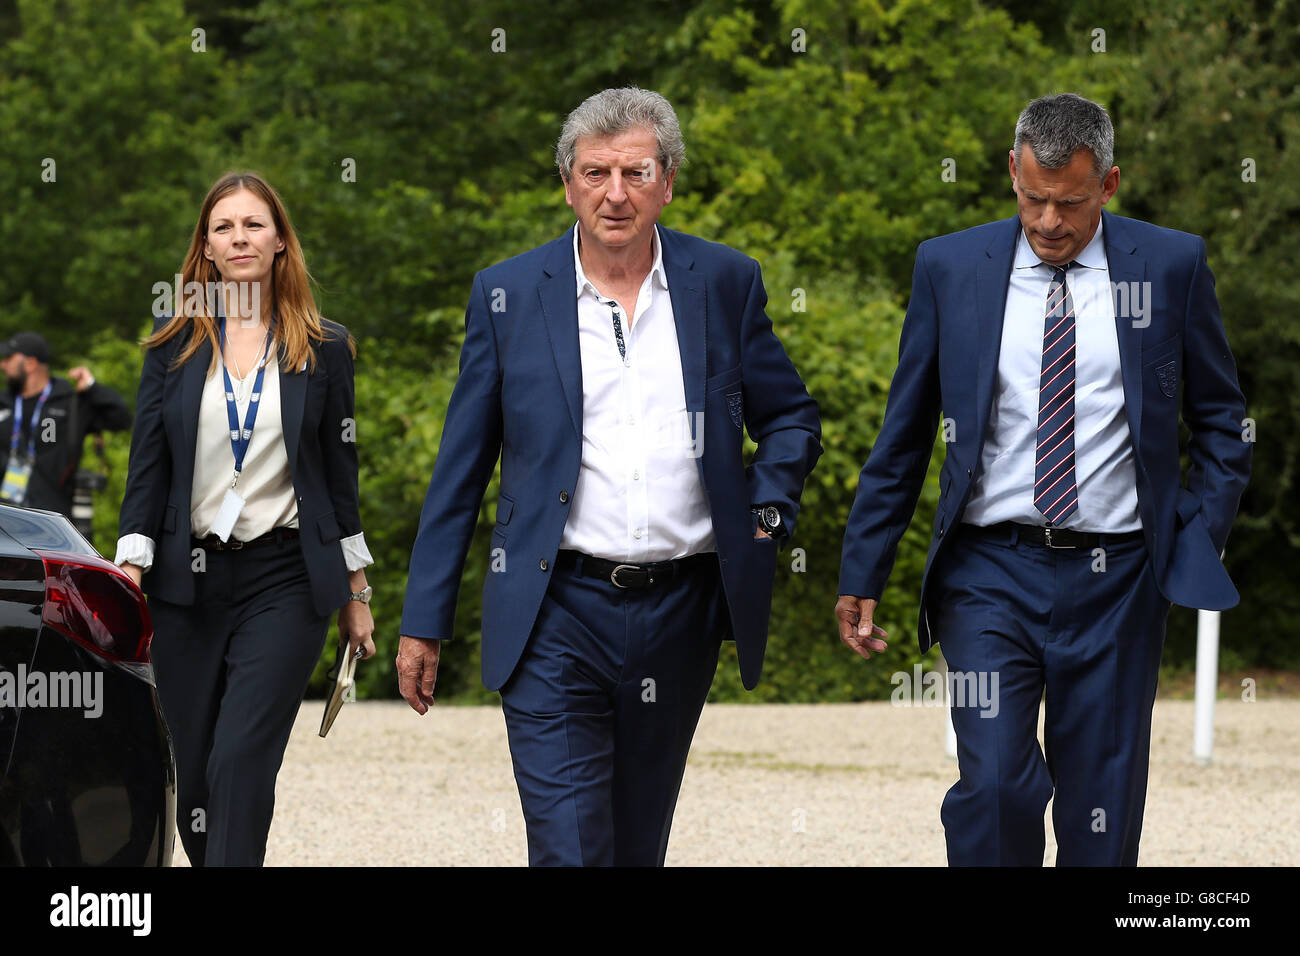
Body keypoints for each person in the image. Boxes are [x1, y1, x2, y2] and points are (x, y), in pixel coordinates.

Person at [398, 87, 822, 866]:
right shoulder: (509, 294)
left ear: (667, 181)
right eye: (595, 173)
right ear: (567, 184)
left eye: (635, 172)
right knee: (568, 848)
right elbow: (462, 468)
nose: (615, 193)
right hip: (553, 609)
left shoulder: (726, 283)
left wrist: (766, 511)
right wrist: (423, 618)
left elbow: (791, 418)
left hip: (682, 612)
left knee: (635, 844)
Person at [836, 93, 1251, 866]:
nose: (1049, 222)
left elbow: (1225, 422)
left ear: (1111, 184)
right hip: (987, 571)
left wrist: (1188, 541)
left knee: (1102, 806)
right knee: (994, 787)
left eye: (1071, 203)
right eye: (1033, 198)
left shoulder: (1171, 266)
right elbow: (906, 435)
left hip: (1121, 578)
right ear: (1011, 174)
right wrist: (864, 565)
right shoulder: (950, 267)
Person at [114, 172, 377, 866]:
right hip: (184, 582)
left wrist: (356, 592)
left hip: (285, 578)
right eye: (224, 227)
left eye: (254, 224)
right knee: (195, 776)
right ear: (205, 246)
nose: (240, 238)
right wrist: (130, 566)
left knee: (241, 760)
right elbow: (148, 469)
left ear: (280, 241)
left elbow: (338, 480)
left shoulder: (323, 346)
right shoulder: (171, 346)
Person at [1, 331, 131, 516]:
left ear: (30, 364)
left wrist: (92, 387)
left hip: (52, 519)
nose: (3, 365)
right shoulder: (4, 403)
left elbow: (121, 419)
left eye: (9, 358)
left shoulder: (70, 403)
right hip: (6, 516)